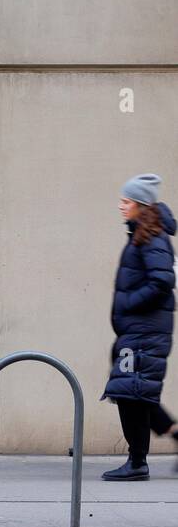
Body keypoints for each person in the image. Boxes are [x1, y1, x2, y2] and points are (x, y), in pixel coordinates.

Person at [102, 174, 178, 480]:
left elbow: (162, 281)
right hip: (138, 332)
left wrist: (130, 302)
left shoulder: (152, 237)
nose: (121, 205)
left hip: (144, 332)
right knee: (132, 389)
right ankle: (173, 433)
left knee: (131, 392)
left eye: (127, 201)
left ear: (141, 205)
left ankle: (137, 462)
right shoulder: (143, 234)